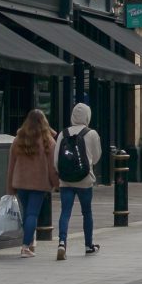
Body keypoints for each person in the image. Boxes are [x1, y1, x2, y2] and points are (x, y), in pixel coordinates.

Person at [5, 109, 59, 258]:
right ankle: (25, 246)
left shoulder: (18, 140)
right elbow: (52, 167)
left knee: (27, 214)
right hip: (39, 184)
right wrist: (56, 184)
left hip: (21, 183)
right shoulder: (48, 141)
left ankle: (29, 241)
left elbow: (11, 165)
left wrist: (10, 187)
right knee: (32, 214)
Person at [53, 102, 103, 258]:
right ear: (88, 116)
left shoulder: (63, 134)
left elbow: (56, 160)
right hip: (85, 180)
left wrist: (63, 173)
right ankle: (88, 245)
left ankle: (62, 242)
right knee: (86, 212)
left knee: (65, 211)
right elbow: (96, 158)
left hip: (66, 180)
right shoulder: (92, 133)